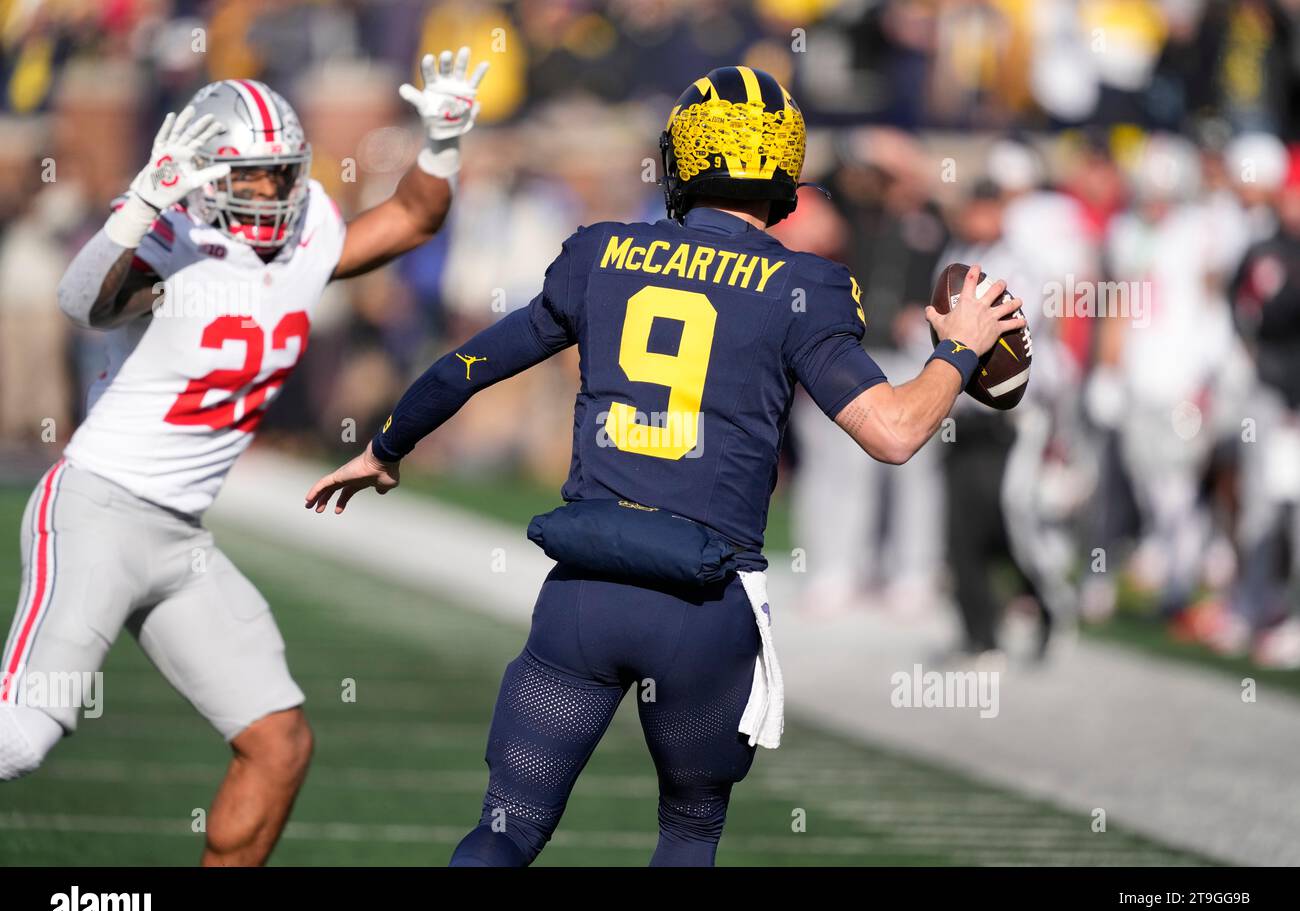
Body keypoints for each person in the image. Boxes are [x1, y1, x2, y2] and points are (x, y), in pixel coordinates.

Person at [305, 66, 1025, 866]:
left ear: (680, 159)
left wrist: (386, 448)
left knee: (504, 833)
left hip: (585, 591)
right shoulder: (804, 286)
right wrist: (959, 349)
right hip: (703, 608)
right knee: (687, 832)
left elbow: (467, 366)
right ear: (786, 172)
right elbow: (893, 432)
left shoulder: (602, 253)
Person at [0, 48, 490, 867]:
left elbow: (411, 218)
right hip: (95, 511)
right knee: (20, 738)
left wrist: (440, 144)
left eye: (280, 174)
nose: (271, 193)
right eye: (251, 176)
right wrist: (136, 208)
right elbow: (81, 303)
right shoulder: (172, 235)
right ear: (204, 175)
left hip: (179, 539)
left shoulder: (307, 238)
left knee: (278, 741)